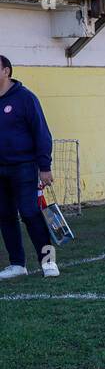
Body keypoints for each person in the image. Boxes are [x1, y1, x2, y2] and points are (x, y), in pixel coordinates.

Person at [0, 54, 59, 279]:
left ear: (6, 71)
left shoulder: (25, 98)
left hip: (24, 166)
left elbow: (41, 132)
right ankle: (17, 264)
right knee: (5, 215)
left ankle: (48, 262)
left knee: (30, 213)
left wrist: (45, 167)